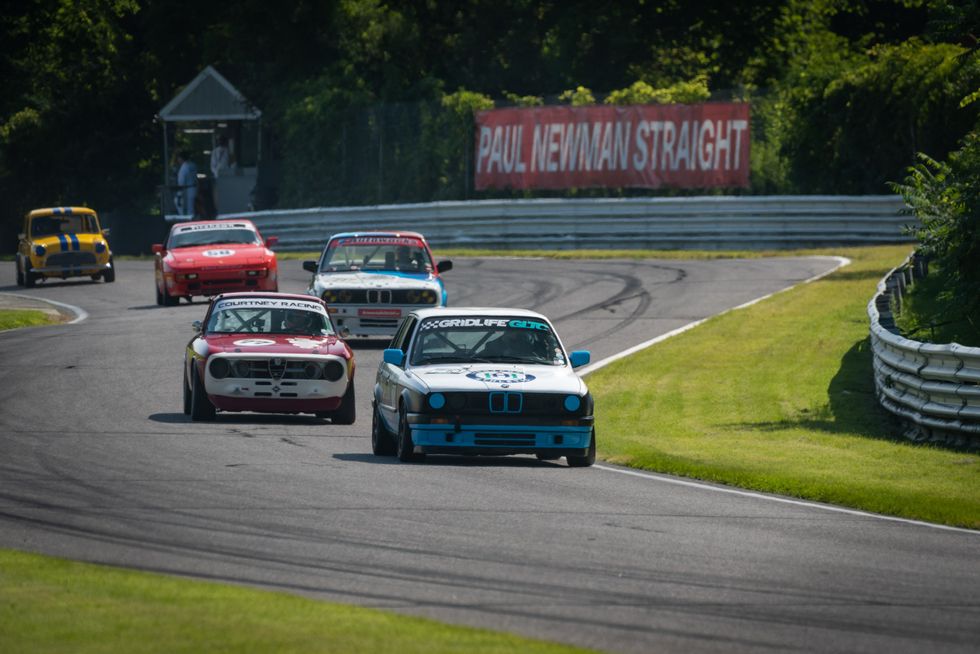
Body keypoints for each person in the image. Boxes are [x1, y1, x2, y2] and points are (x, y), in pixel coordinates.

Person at [175, 150, 198, 217]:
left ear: (181, 158)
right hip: (194, 188)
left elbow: (181, 182)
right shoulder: (193, 164)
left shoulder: (184, 167)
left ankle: (187, 220)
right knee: (192, 207)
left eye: (178, 158)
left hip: (187, 189)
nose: (178, 160)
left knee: (187, 208)